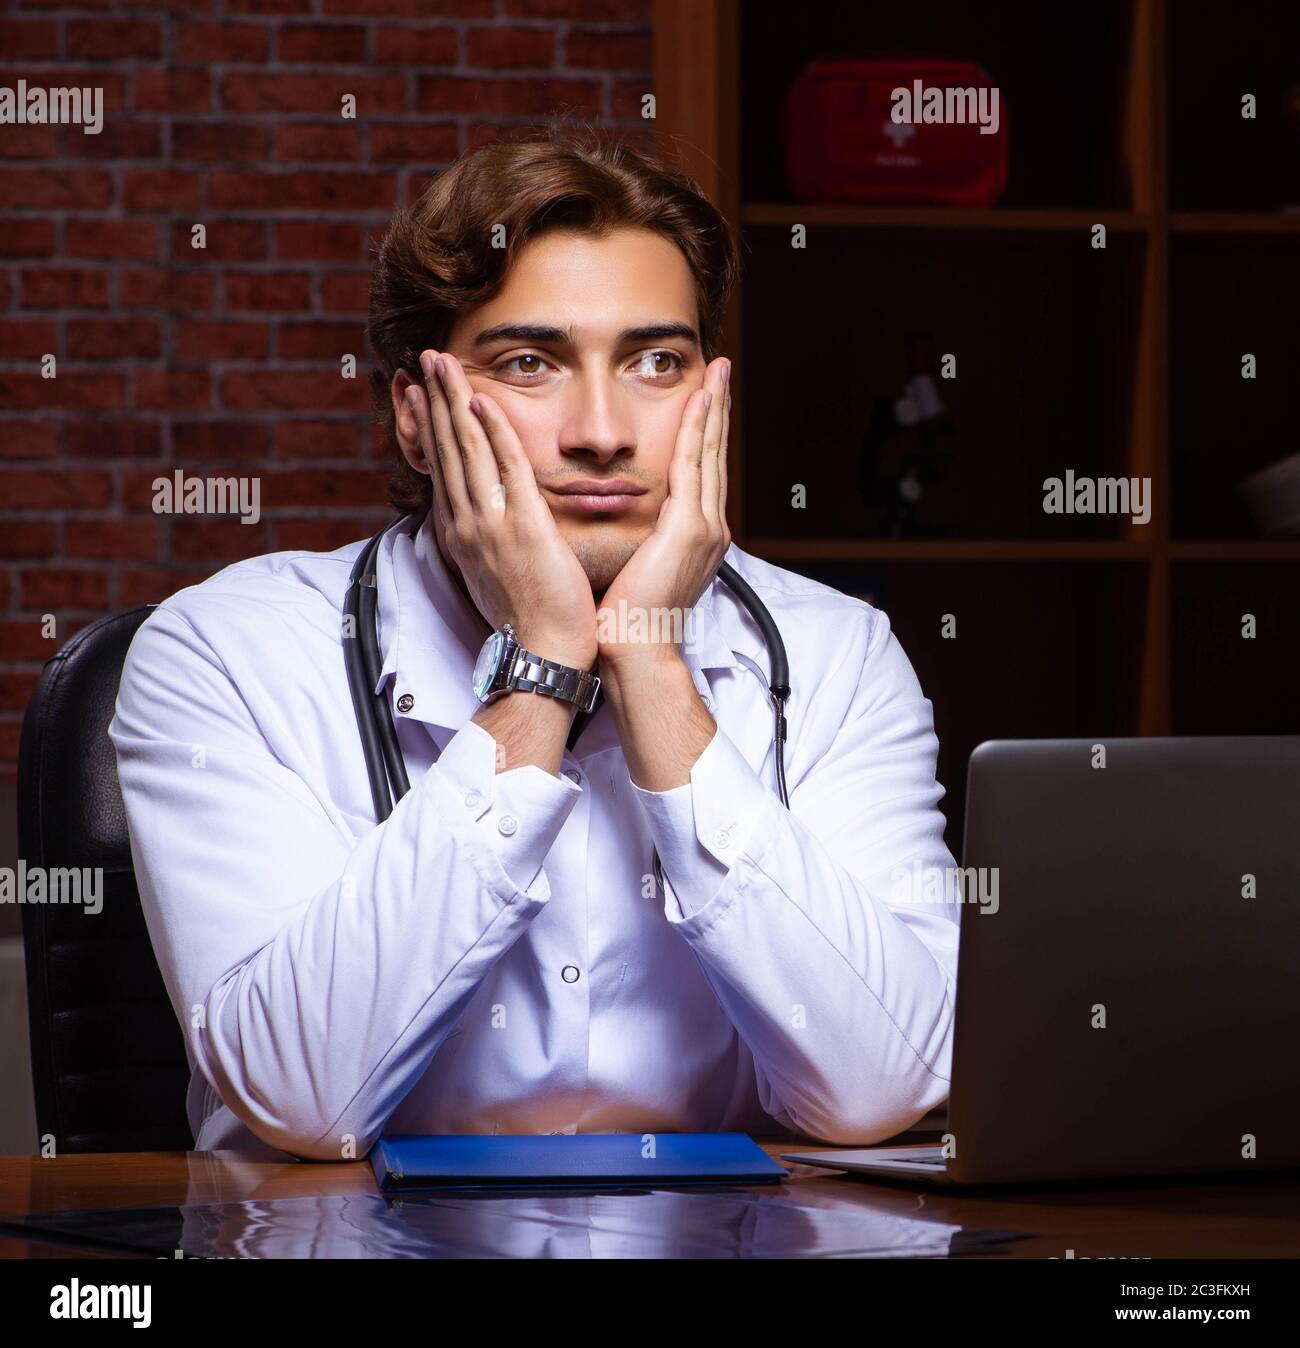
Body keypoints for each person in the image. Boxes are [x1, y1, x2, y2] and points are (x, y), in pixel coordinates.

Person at [108, 130, 961, 1162]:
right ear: (417, 419)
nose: (600, 430)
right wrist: (544, 663)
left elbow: (888, 1087)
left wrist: (648, 660)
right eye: (529, 362)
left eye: (655, 362)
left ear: (712, 395)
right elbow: (302, 1102)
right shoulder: (224, 651)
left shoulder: (839, 656)